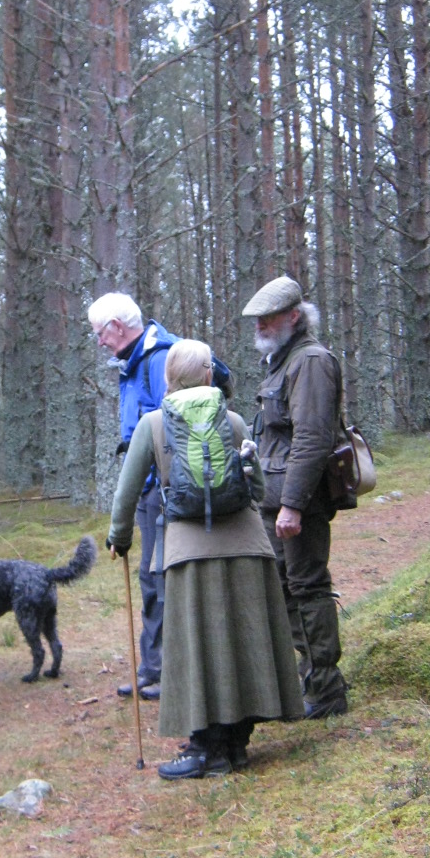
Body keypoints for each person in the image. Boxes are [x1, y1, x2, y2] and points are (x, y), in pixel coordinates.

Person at [107, 338, 303, 779]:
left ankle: (205, 751)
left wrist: (119, 537)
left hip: (188, 554)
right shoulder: (232, 421)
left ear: (168, 377)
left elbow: (127, 492)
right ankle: (235, 745)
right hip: (247, 547)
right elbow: (256, 491)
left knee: (197, 649)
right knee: (244, 642)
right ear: (210, 375)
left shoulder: (153, 424)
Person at [242, 275, 349, 717]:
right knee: (283, 587)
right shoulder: (283, 361)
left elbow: (312, 438)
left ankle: (326, 688)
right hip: (275, 501)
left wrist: (293, 505)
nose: (260, 326)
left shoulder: (311, 362)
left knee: (307, 586)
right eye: (257, 319)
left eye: (268, 318)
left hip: (297, 504)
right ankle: (309, 677)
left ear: (293, 316)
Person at [86, 293, 178, 702]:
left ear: (117, 327)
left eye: (100, 334)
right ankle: (152, 668)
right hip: (146, 486)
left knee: (162, 578)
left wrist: (156, 482)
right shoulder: (133, 361)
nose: (99, 342)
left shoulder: (159, 359)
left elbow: (169, 427)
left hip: (164, 488)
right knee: (149, 577)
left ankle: (167, 671)